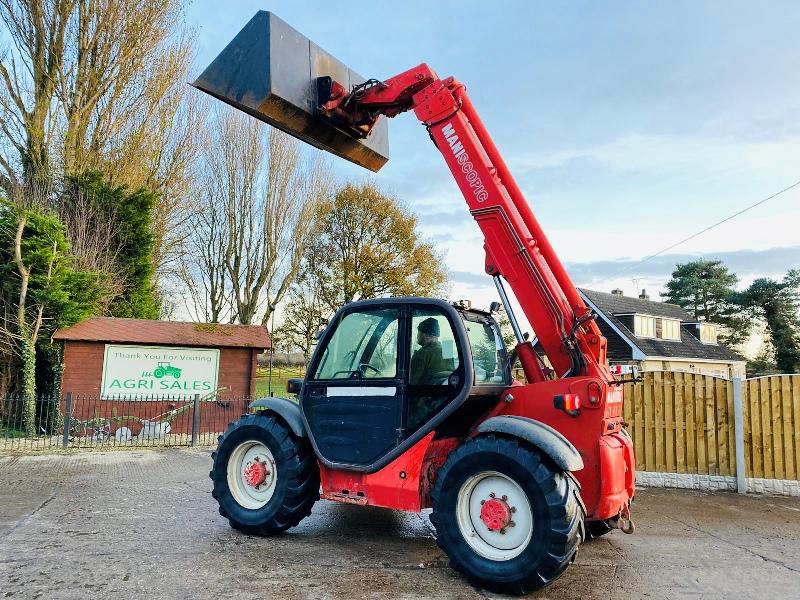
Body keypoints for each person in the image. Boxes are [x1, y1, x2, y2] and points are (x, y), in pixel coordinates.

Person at [409, 317, 448, 385]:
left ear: (424, 334)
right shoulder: (447, 349)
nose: (417, 336)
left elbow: (412, 382)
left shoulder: (422, 353)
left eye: (418, 332)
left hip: (424, 393)